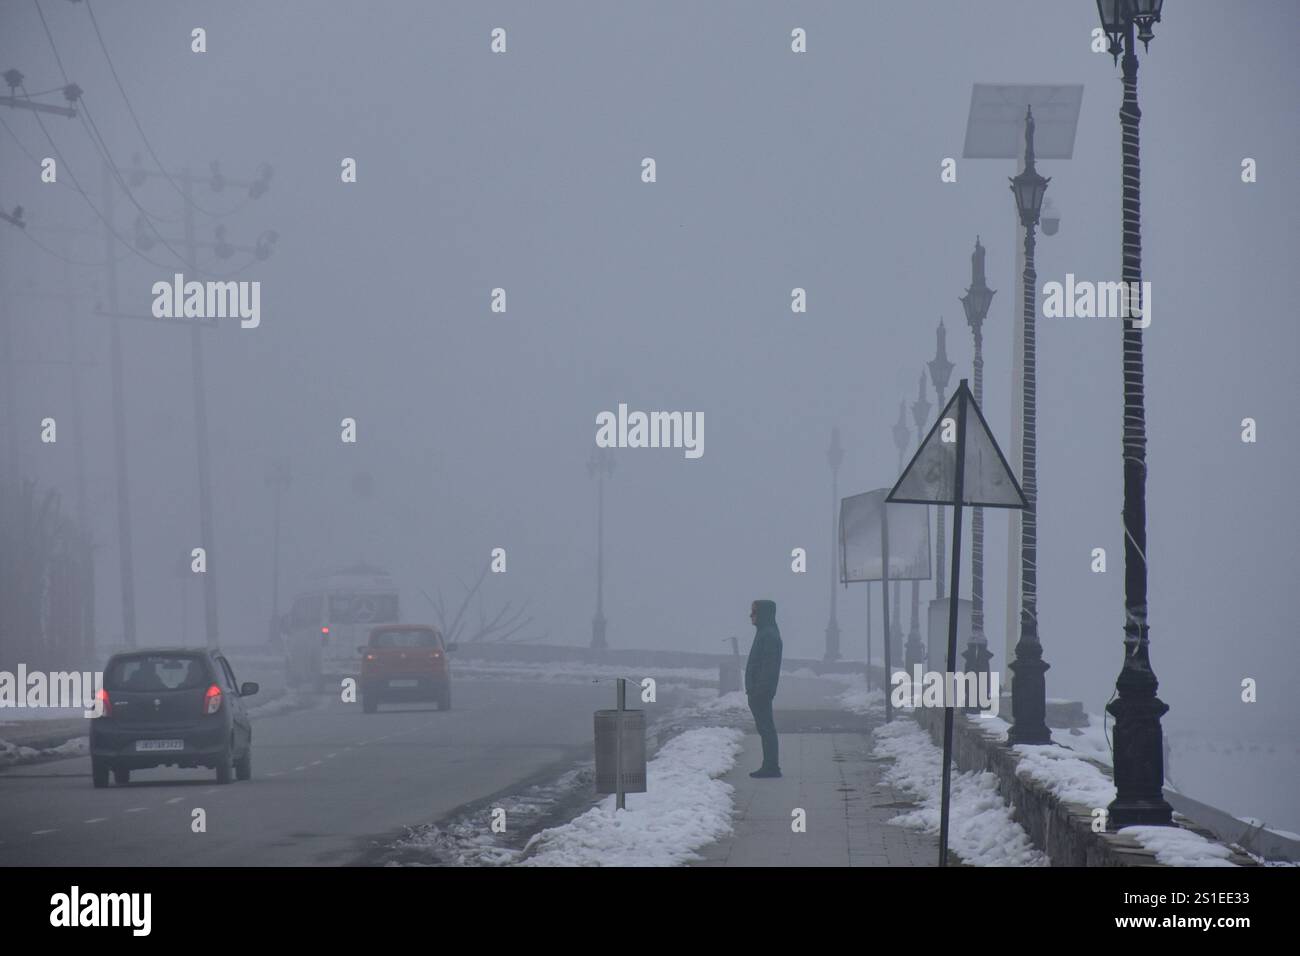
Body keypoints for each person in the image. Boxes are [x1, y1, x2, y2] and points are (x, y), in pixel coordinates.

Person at [744, 599, 783, 778]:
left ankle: (771, 766)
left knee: (766, 728)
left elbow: (769, 667)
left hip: (761, 691)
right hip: (759, 690)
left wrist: (758, 690)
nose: (751, 616)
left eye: (754, 612)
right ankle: (770, 765)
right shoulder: (765, 633)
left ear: (764, 614)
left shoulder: (768, 635)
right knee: (765, 728)